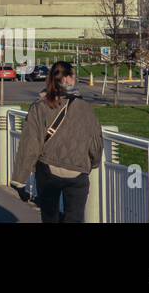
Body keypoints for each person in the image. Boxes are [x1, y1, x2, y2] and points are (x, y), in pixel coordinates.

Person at [11, 61, 102, 223]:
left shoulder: (40, 107)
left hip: (48, 169)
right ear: (69, 79)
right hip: (78, 171)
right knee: (74, 218)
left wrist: (19, 179)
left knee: (49, 217)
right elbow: (95, 143)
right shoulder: (86, 108)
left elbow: (30, 144)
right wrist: (93, 163)